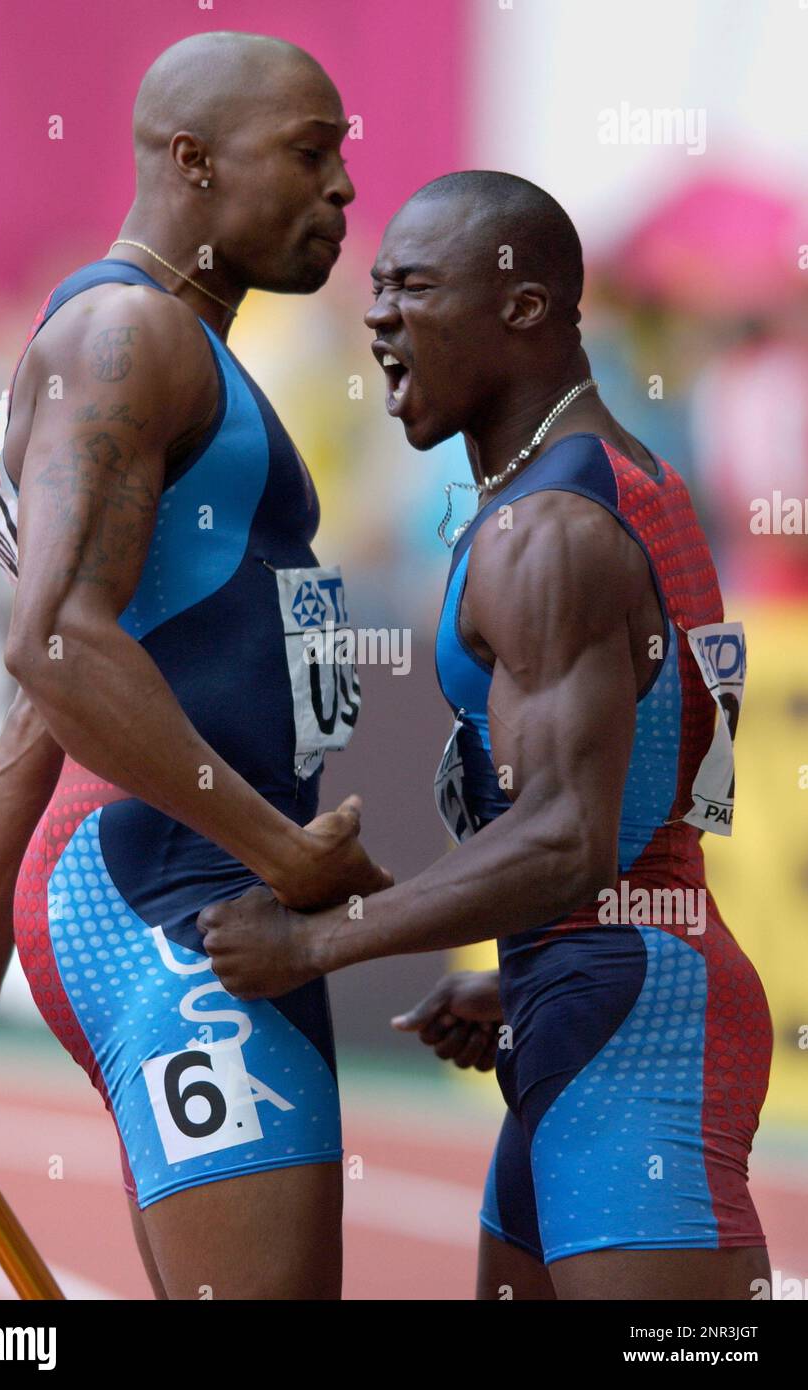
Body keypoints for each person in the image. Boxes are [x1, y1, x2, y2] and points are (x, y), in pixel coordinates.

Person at [198, 171, 774, 1302]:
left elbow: (569, 839)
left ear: (522, 307)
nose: (376, 316)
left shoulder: (550, 532)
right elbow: (659, 790)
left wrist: (317, 944)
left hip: (635, 1027)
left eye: (412, 286)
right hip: (591, 996)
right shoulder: (622, 480)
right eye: (375, 289)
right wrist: (526, 970)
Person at [0, 31, 391, 1302]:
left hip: (192, 880)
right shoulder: (127, 335)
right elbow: (52, 643)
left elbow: (43, 700)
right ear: (191, 160)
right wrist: (284, 855)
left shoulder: (176, 347)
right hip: (174, 893)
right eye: (309, 154)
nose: (342, 189)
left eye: (343, 158)